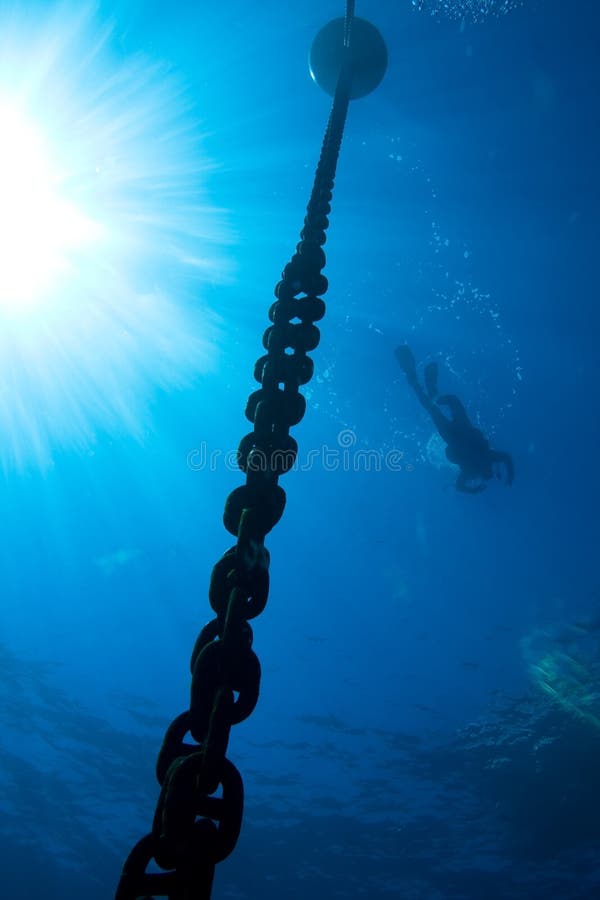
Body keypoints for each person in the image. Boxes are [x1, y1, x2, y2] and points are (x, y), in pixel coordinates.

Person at [395, 344, 514, 494]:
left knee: (441, 405)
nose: (487, 469)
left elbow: (461, 485)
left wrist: (475, 489)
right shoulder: (484, 461)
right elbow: (506, 458)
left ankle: (417, 381)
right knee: (444, 404)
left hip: (455, 433)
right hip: (461, 430)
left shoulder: (477, 466)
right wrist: (508, 475)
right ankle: (426, 388)